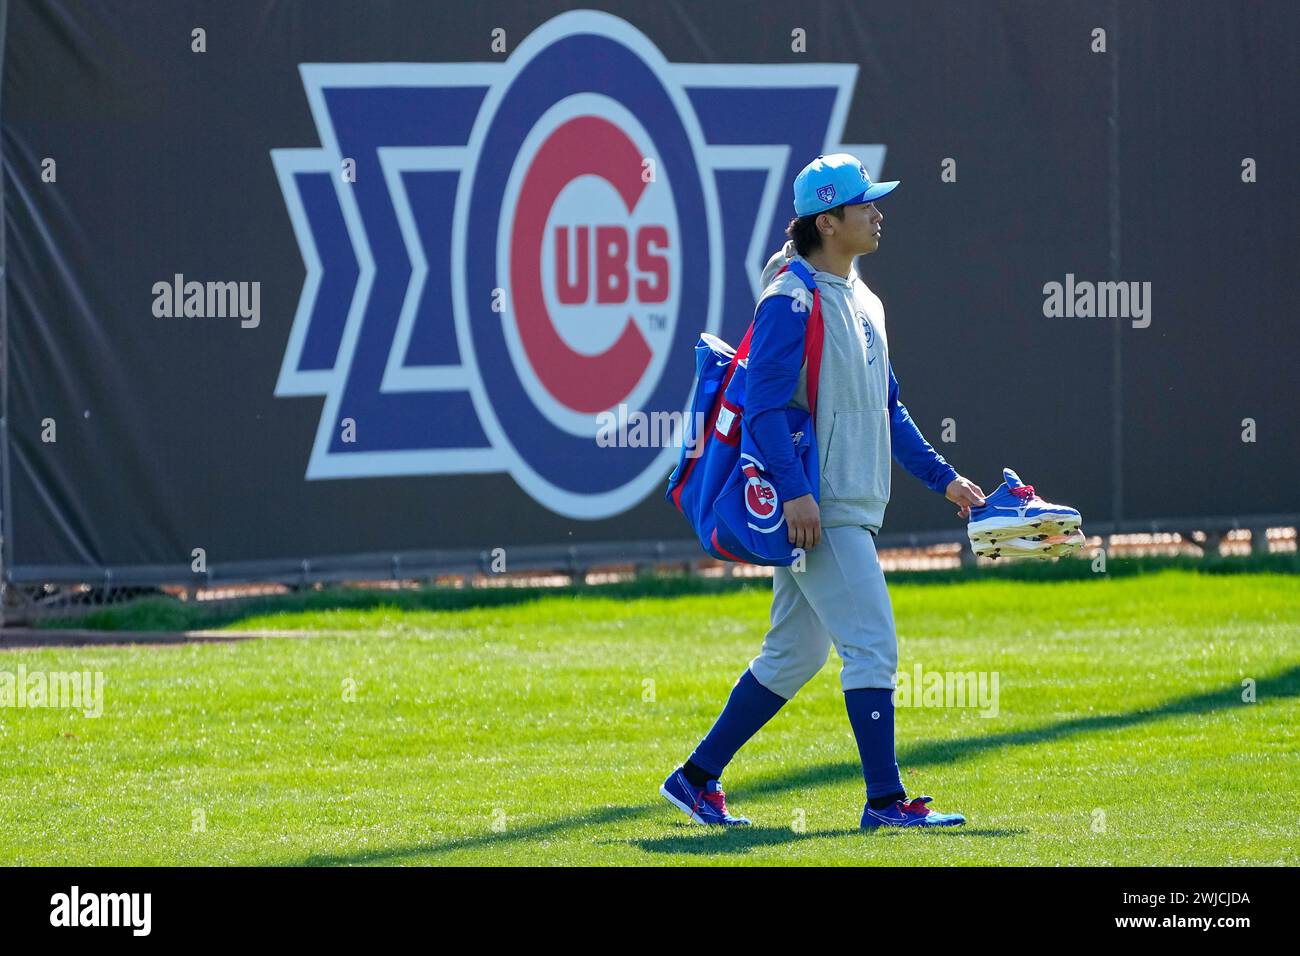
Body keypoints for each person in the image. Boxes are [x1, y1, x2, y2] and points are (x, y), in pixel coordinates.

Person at [659, 153, 988, 829]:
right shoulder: (791, 298)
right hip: (820, 509)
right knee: (872, 645)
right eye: (864, 204)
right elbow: (766, 409)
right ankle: (886, 802)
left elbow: (889, 408)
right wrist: (795, 495)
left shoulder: (865, 299)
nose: (877, 213)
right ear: (828, 221)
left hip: (839, 504)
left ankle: (694, 779)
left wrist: (945, 480)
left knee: (795, 654)